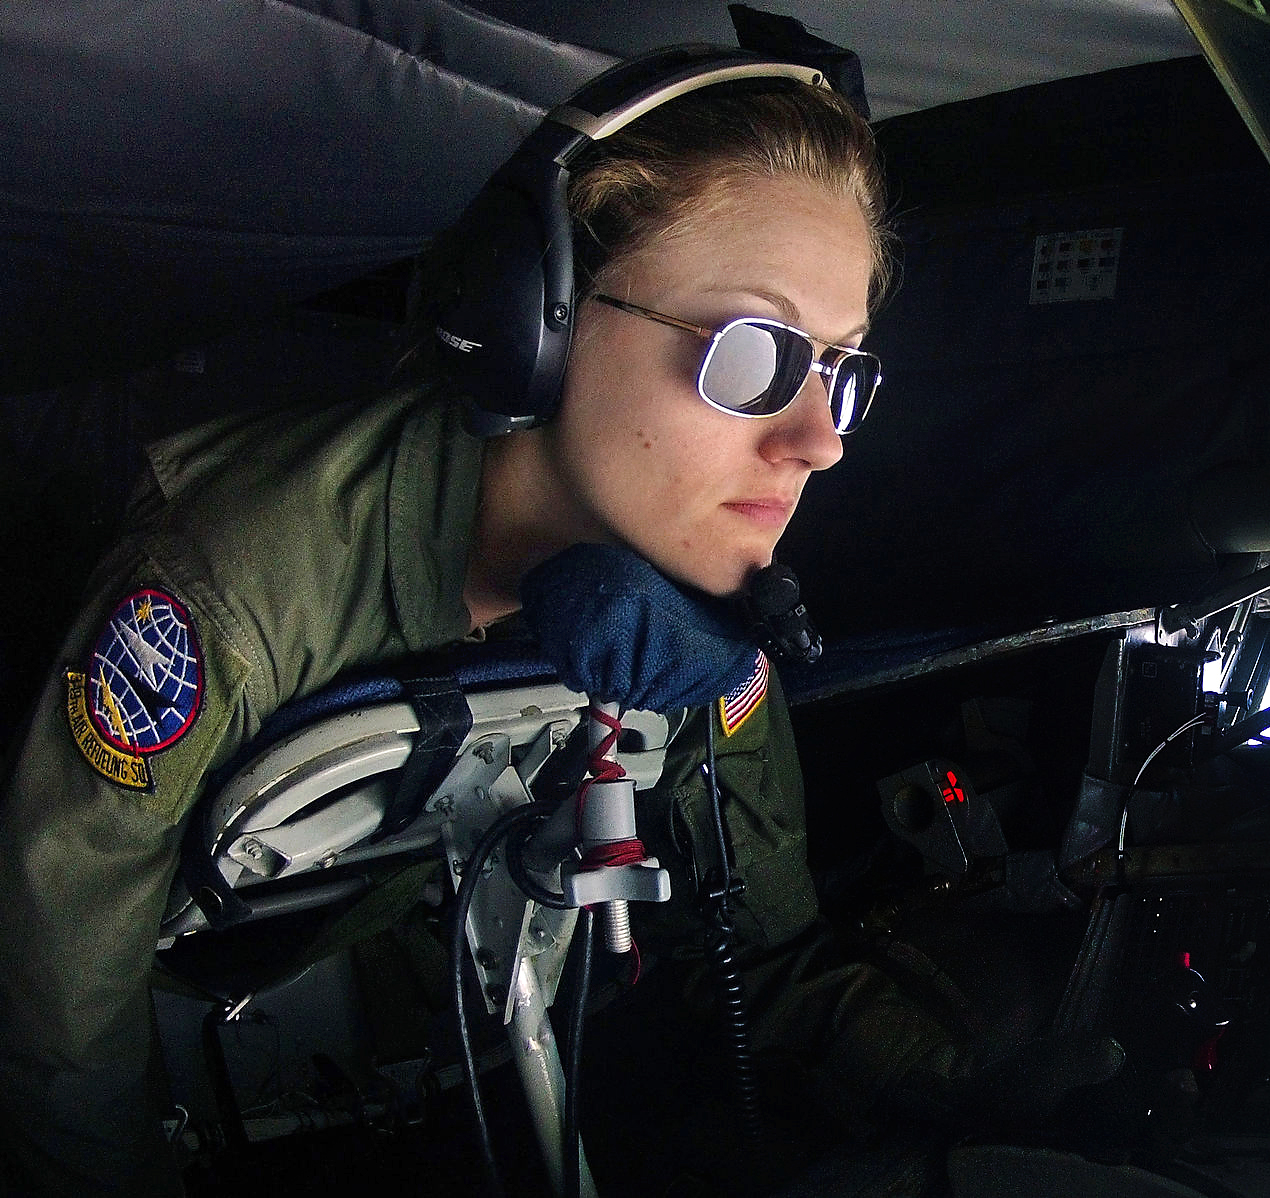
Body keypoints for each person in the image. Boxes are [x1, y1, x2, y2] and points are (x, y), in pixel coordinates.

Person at [0, 47, 969, 1196]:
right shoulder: (237, 580)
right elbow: (52, 1006)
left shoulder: (692, 595)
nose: (820, 440)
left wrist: (962, 1073)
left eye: (841, 371)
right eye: (754, 354)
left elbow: (760, 935)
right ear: (534, 324)